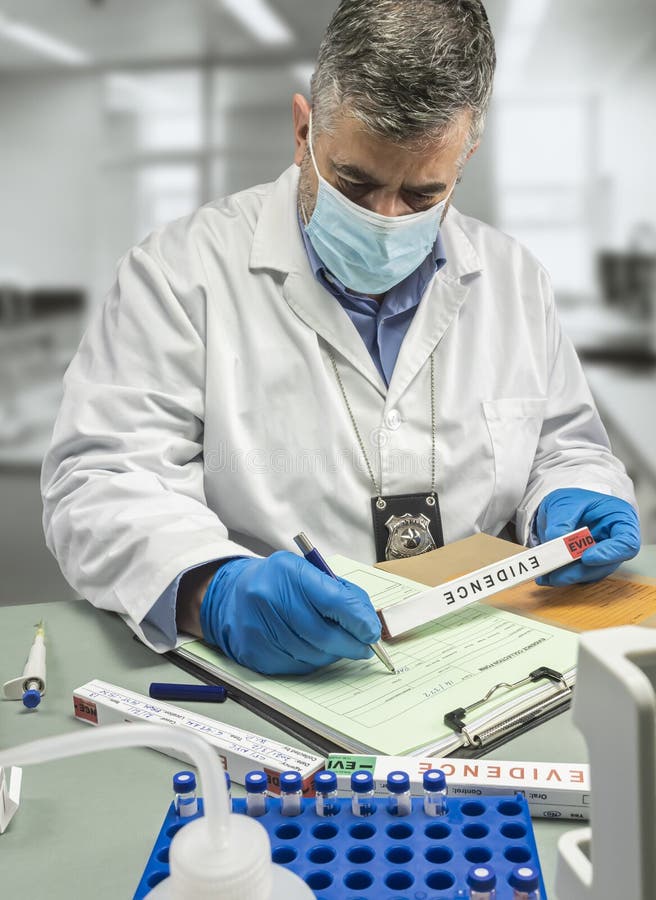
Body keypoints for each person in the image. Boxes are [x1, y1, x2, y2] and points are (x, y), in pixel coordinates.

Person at [41, 0, 640, 676]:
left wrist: (570, 495)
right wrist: (212, 589)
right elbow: (101, 480)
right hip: (276, 677)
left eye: (421, 195)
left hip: (487, 653)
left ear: (465, 159)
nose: (385, 219)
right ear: (303, 133)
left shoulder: (515, 281)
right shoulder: (179, 273)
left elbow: (563, 448)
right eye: (355, 183)